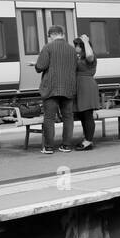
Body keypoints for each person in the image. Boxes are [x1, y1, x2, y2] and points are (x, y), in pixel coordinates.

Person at [35, 24, 76, 154]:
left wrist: (36, 64)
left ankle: (48, 147)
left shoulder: (48, 47)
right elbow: (74, 66)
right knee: (68, 117)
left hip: (51, 88)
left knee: (49, 118)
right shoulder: (72, 49)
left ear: (52, 35)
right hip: (68, 87)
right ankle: (66, 145)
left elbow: (40, 67)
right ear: (62, 34)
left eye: (50, 37)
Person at [73, 34, 99, 150]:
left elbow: (89, 55)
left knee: (87, 114)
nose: (75, 48)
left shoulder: (90, 57)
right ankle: (87, 139)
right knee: (83, 114)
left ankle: (88, 141)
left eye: (77, 46)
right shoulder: (79, 58)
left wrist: (86, 41)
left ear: (82, 46)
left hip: (87, 86)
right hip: (80, 86)